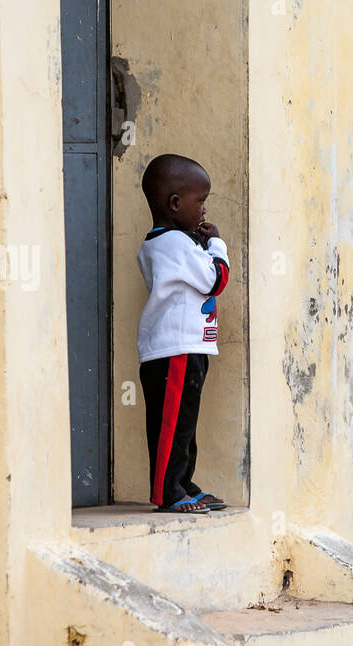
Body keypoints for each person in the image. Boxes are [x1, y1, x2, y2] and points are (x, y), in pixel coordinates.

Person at [136, 154, 230, 513]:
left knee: (183, 425)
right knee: (171, 425)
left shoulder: (169, 243)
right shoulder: (174, 244)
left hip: (186, 347)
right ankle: (168, 493)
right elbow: (215, 279)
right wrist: (216, 244)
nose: (204, 210)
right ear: (175, 204)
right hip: (174, 350)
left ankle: (183, 484)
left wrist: (199, 244)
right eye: (200, 201)